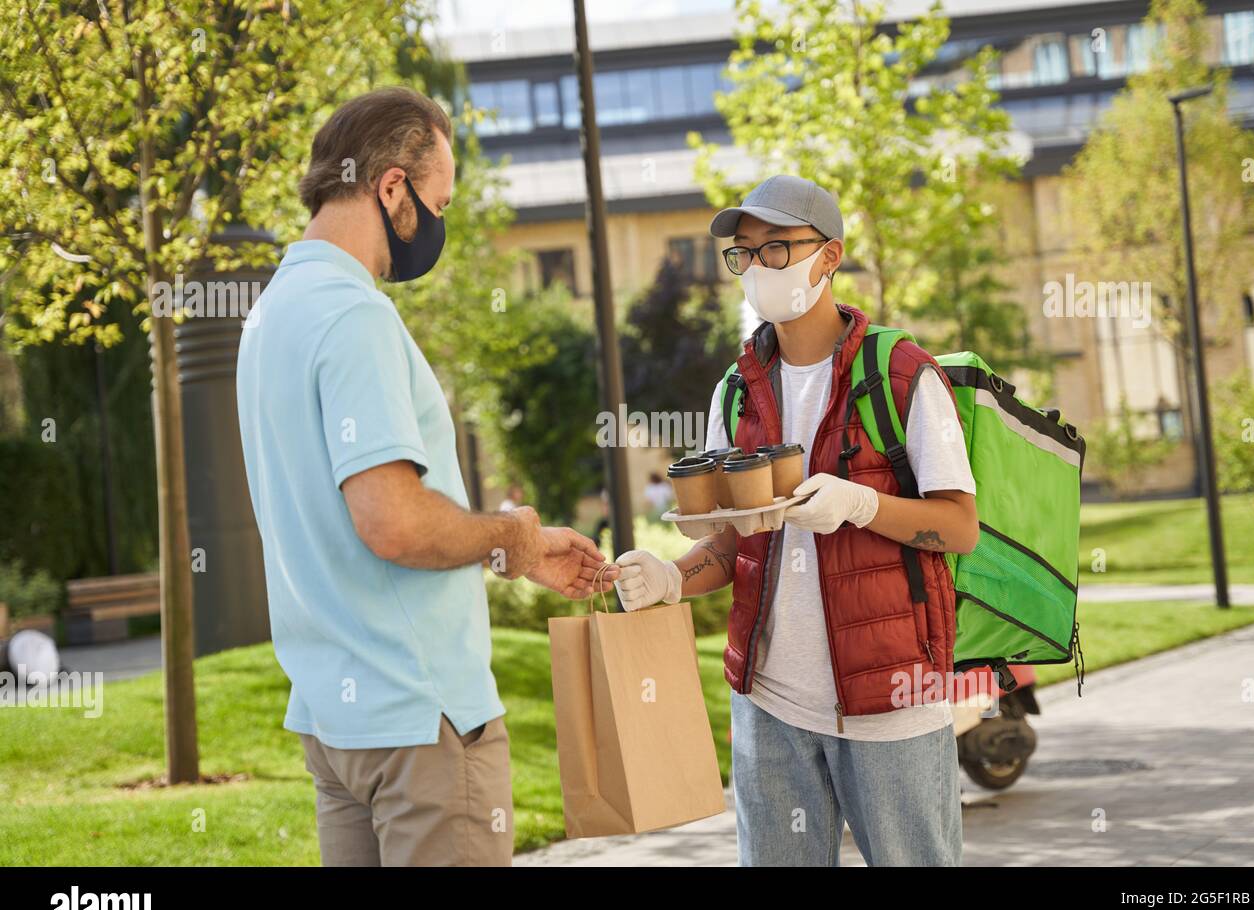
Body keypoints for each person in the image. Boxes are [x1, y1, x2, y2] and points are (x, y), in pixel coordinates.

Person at [236, 87, 615, 867]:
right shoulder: (354, 317)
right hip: (421, 721)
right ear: (391, 187)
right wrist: (512, 532)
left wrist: (524, 552)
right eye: (437, 205)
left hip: (337, 723)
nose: (436, 229)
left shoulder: (269, 315)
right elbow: (394, 522)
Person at [613, 175, 977, 867]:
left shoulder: (900, 374)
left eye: (777, 249)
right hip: (771, 707)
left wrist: (860, 504)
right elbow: (734, 542)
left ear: (830, 256)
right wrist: (669, 579)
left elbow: (958, 528)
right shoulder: (738, 388)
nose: (756, 269)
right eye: (743, 254)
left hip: (892, 704)